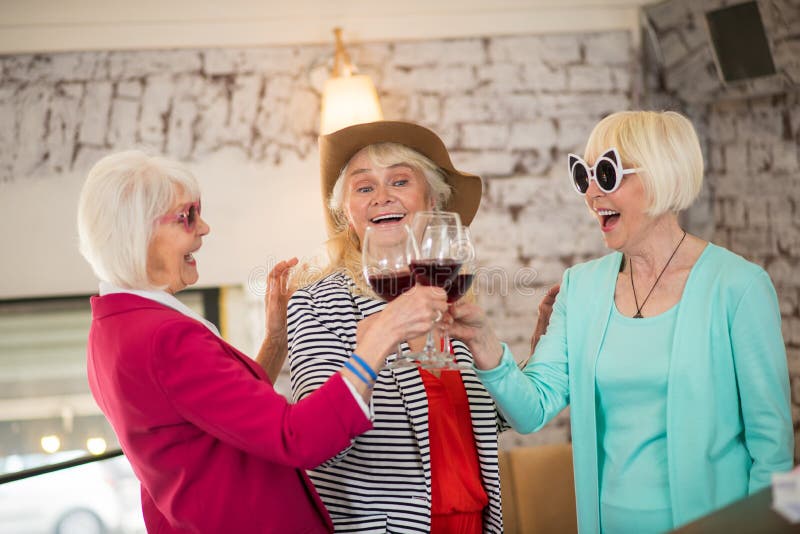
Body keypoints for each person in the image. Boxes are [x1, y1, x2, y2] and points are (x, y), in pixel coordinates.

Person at [448, 110, 794, 534]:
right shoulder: (581, 287)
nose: (591, 193)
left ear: (662, 174)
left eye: (607, 174)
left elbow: (772, 452)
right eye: (584, 176)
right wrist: (485, 345)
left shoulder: (739, 288)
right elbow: (531, 410)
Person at [77, 150, 447, 533]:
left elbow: (228, 415)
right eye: (187, 216)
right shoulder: (164, 338)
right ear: (137, 231)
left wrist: (275, 339)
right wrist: (378, 339)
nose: (203, 228)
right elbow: (297, 438)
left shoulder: (112, 325)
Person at [287, 121, 505, 533]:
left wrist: (529, 348)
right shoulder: (316, 302)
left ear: (432, 200)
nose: (382, 197)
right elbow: (319, 446)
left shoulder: (451, 293)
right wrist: (384, 334)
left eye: (399, 181)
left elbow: (488, 419)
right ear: (347, 213)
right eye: (364, 187)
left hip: (474, 524)